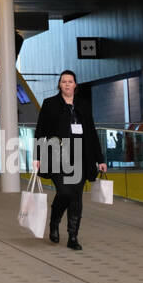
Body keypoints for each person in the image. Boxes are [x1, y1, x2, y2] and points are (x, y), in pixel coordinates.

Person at [32, 70, 106, 251]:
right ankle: (54, 222)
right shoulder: (50, 104)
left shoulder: (83, 105)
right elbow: (40, 131)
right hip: (57, 156)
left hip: (81, 157)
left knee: (76, 197)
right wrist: (37, 157)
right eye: (63, 81)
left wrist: (100, 159)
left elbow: (92, 132)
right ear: (59, 85)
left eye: (70, 81)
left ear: (75, 85)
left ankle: (73, 236)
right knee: (64, 192)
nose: (66, 84)